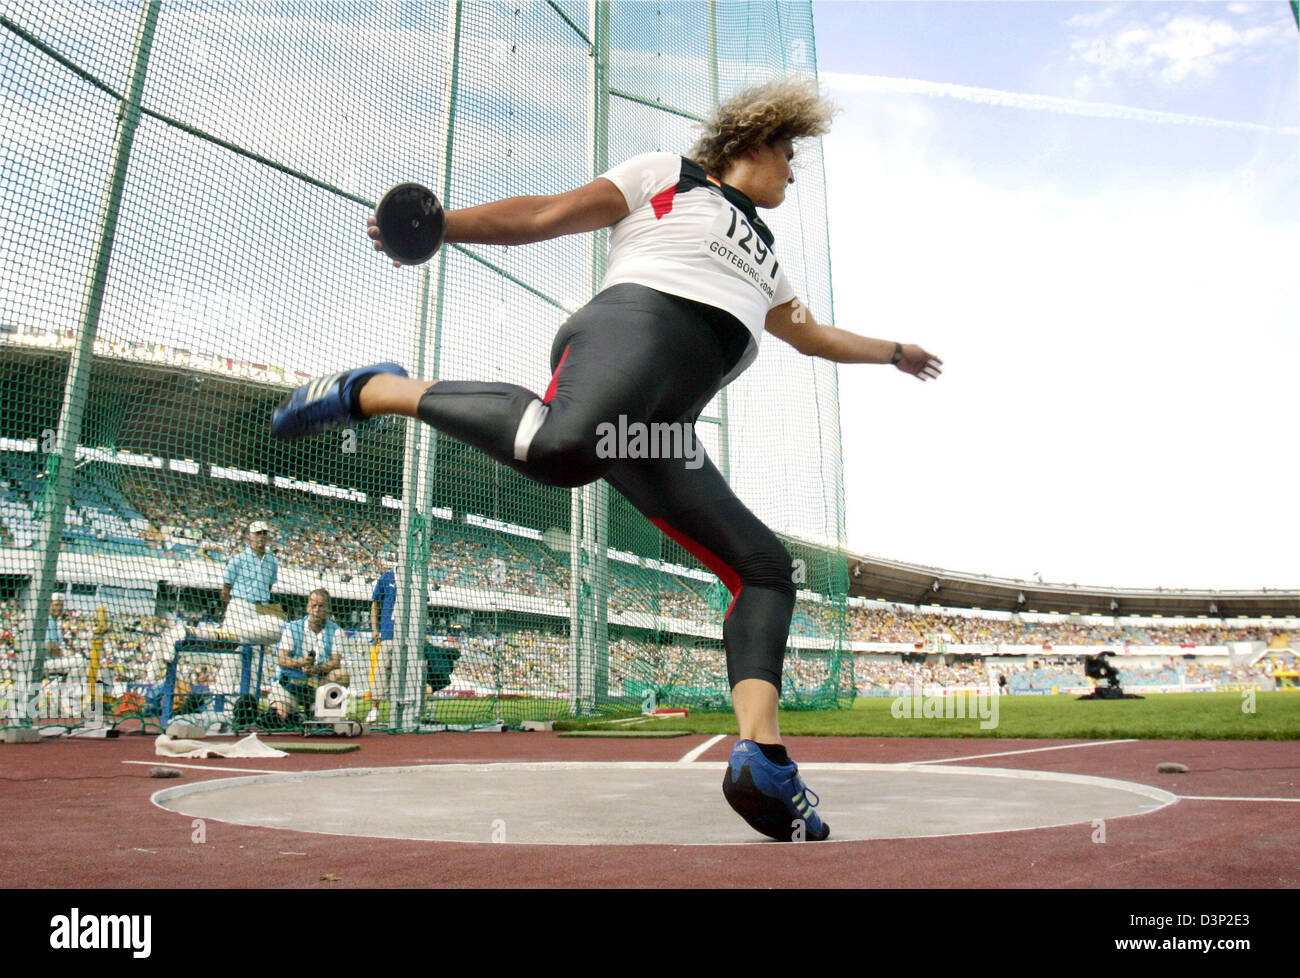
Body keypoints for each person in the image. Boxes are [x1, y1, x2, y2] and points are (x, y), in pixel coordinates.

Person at [272, 78, 942, 841]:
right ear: (751, 143)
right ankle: (376, 389)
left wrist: (895, 352)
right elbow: (548, 216)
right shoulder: (667, 175)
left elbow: (816, 337)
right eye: (787, 153)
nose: (792, 170)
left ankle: (762, 756)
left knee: (763, 568)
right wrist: (442, 225)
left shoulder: (771, 263)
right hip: (631, 333)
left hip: (660, 424)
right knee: (561, 448)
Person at [216, 520, 283, 699]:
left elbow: (268, 587)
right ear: (250, 536)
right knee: (231, 655)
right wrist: (236, 606)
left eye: (264, 533)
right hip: (239, 606)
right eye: (257, 533)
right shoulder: (238, 559)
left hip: (260, 609)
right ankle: (222, 700)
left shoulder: (271, 561)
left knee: (255, 657)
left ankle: (249, 701)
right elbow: (225, 590)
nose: (261, 537)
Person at [268, 588, 350, 721]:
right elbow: (282, 660)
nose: (317, 609)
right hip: (291, 682)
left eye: (321, 606)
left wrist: (316, 669)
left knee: (342, 675)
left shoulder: (336, 631)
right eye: (314, 606)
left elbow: (336, 662)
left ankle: (318, 707)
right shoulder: (291, 628)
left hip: (317, 683)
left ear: (328, 608)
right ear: (308, 608)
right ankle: (292, 712)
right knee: (279, 717)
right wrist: (301, 662)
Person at [368, 555, 398, 723]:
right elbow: (375, 603)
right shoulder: (386, 578)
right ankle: (374, 708)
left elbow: (424, 606)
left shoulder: (417, 579)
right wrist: (374, 629)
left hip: (410, 635)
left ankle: (415, 708)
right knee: (382, 669)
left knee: (411, 672)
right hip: (388, 633)